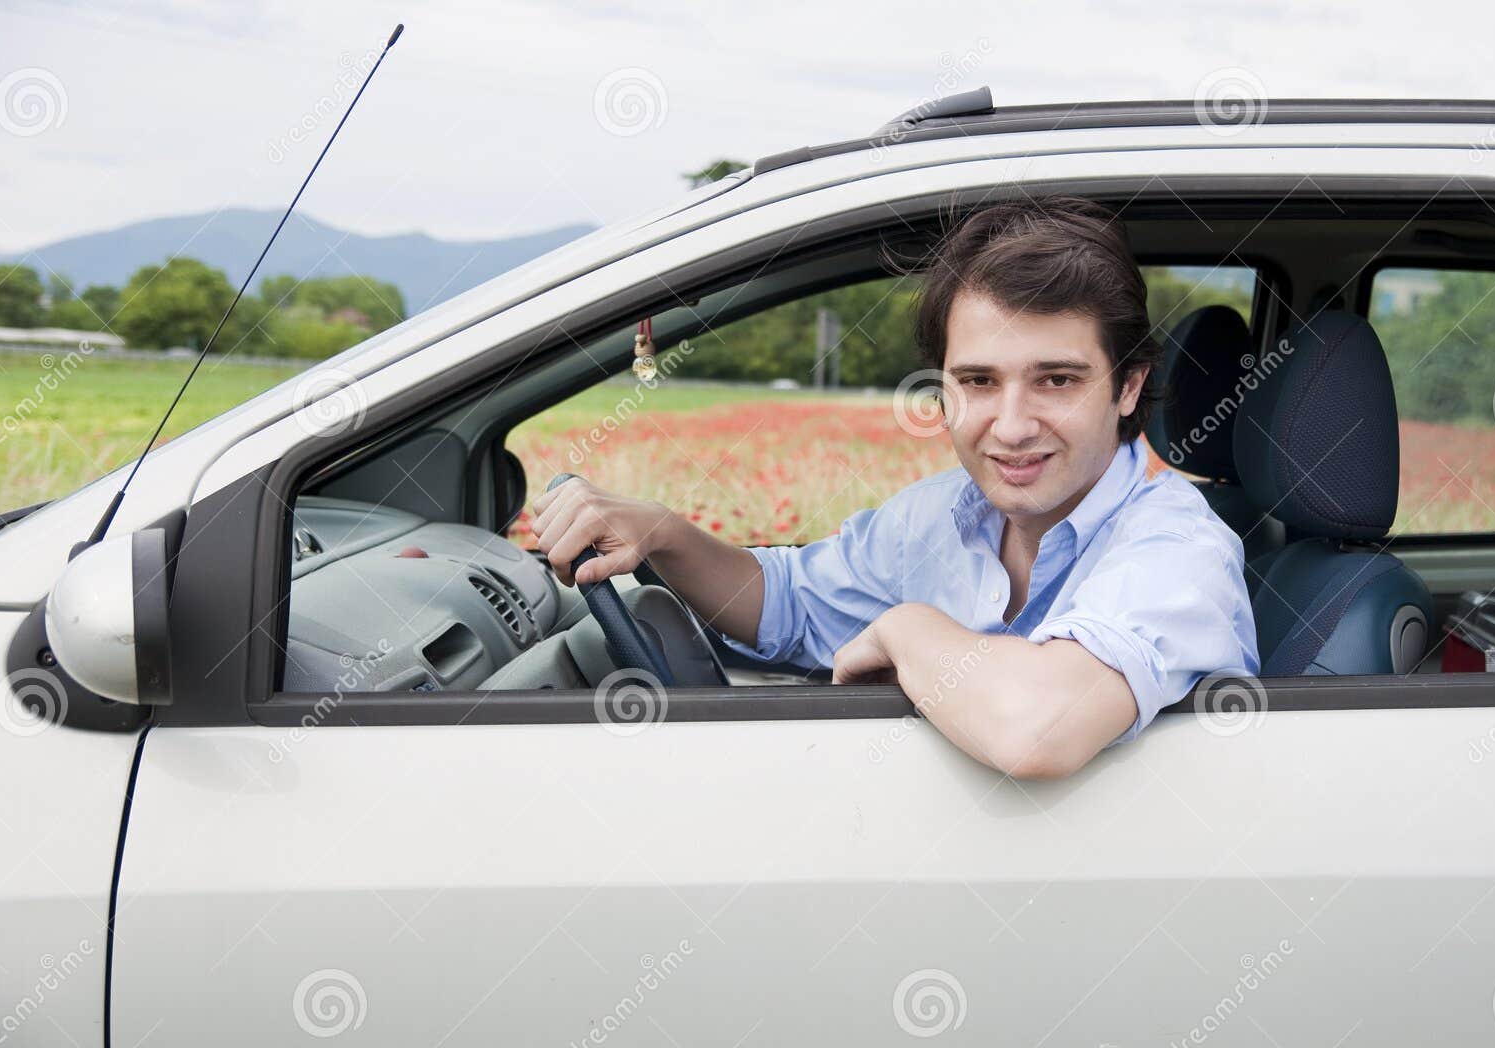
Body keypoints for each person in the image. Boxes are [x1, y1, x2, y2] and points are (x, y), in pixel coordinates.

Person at [530, 197, 1259, 779]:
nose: (1010, 426)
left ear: (1127, 386)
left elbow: (1037, 727)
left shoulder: (1180, 549)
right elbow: (789, 604)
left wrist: (907, 630)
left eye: (1057, 380)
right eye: (978, 381)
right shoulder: (940, 514)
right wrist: (663, 533)